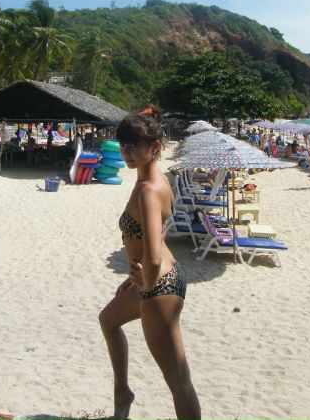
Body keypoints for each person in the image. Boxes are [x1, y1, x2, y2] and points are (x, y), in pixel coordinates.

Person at [99, 111, 201, 420]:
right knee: (108, 320)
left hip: (158, 286)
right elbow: (157, 233)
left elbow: (154, 256)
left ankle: (123, 396)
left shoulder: (147, 190)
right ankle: (123, 393)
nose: (126, 151)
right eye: (123, 144)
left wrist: (145, 280)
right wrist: (136, 279)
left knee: (179, 380)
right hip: (154, 279)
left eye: (134, 145)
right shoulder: (155, 180)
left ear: (154, 146)